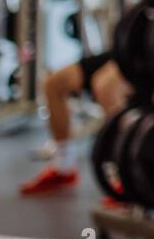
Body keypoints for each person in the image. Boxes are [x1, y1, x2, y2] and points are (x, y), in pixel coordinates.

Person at [19, 50, 130, 194]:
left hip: (150, 50)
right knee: (53, 84)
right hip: (122, 49)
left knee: (105, 87)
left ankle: (126, 178)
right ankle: (64, 167)